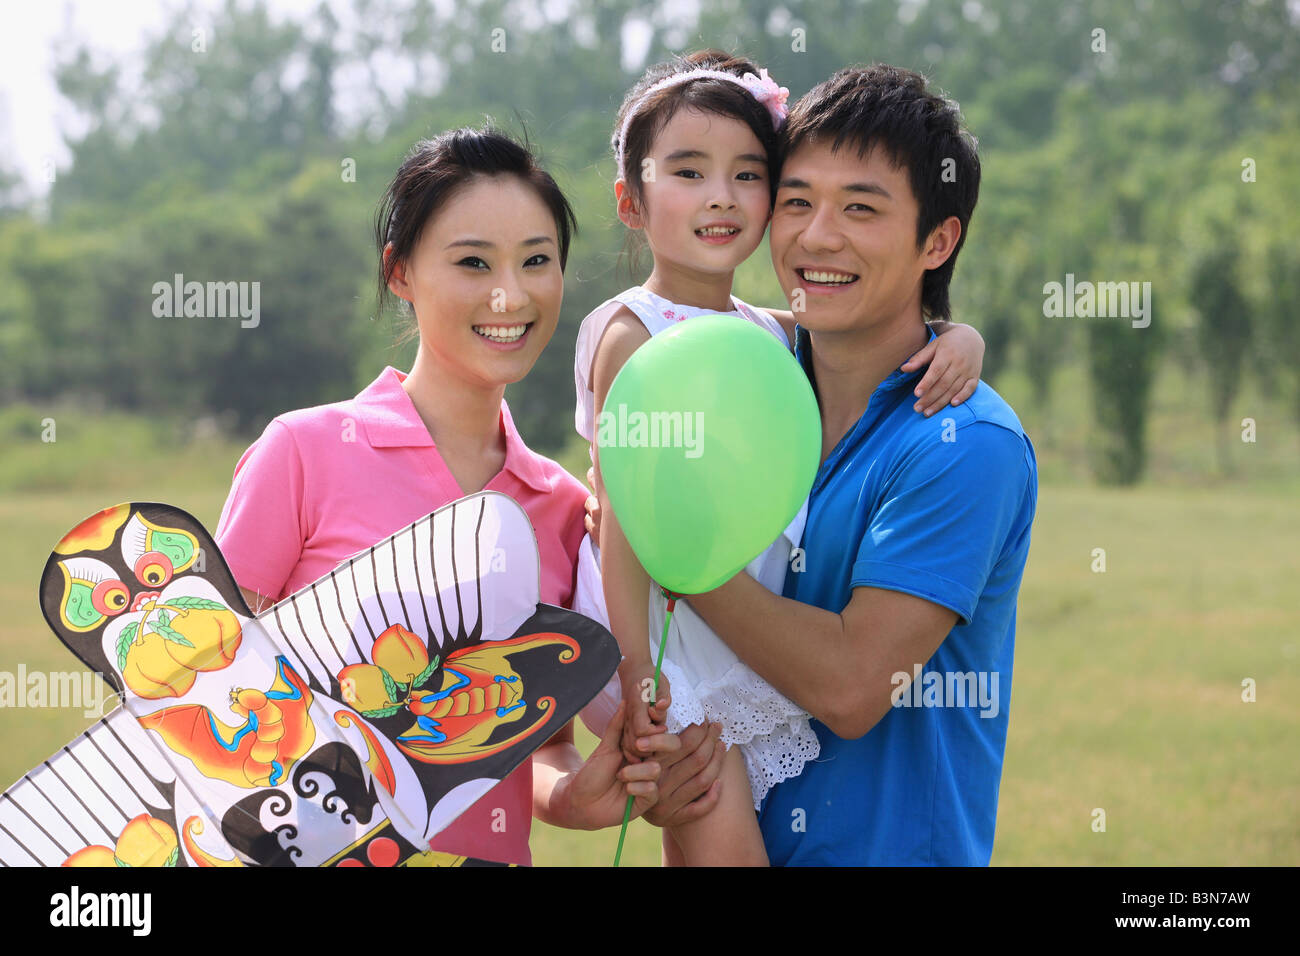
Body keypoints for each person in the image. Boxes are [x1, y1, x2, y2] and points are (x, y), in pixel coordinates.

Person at [213, 126, 679, 866]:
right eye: (472, 262)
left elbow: (535, 748)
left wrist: (577, 797)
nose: (511, 294)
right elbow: (196, 688)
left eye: (537, 260)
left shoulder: (561, 509)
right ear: (400, 273)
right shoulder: (302, 452)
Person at [572, 51, 988, 866]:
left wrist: (959, 335)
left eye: (748, 175)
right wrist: (638, 679)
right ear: (631, 200)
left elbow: (886, 329)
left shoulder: (773, 332)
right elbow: (623, 530)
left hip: (744, 638)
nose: (721, 196)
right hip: (672, 651)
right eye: (687, 172)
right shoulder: (631, 336)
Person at [679, 64, 1039, 865]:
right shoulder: (747, 388)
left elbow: (850, 687)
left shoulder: (962, 441)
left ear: (938, 240)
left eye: (861, 209)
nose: (816, 237)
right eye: (798, 201)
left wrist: (674, 556)